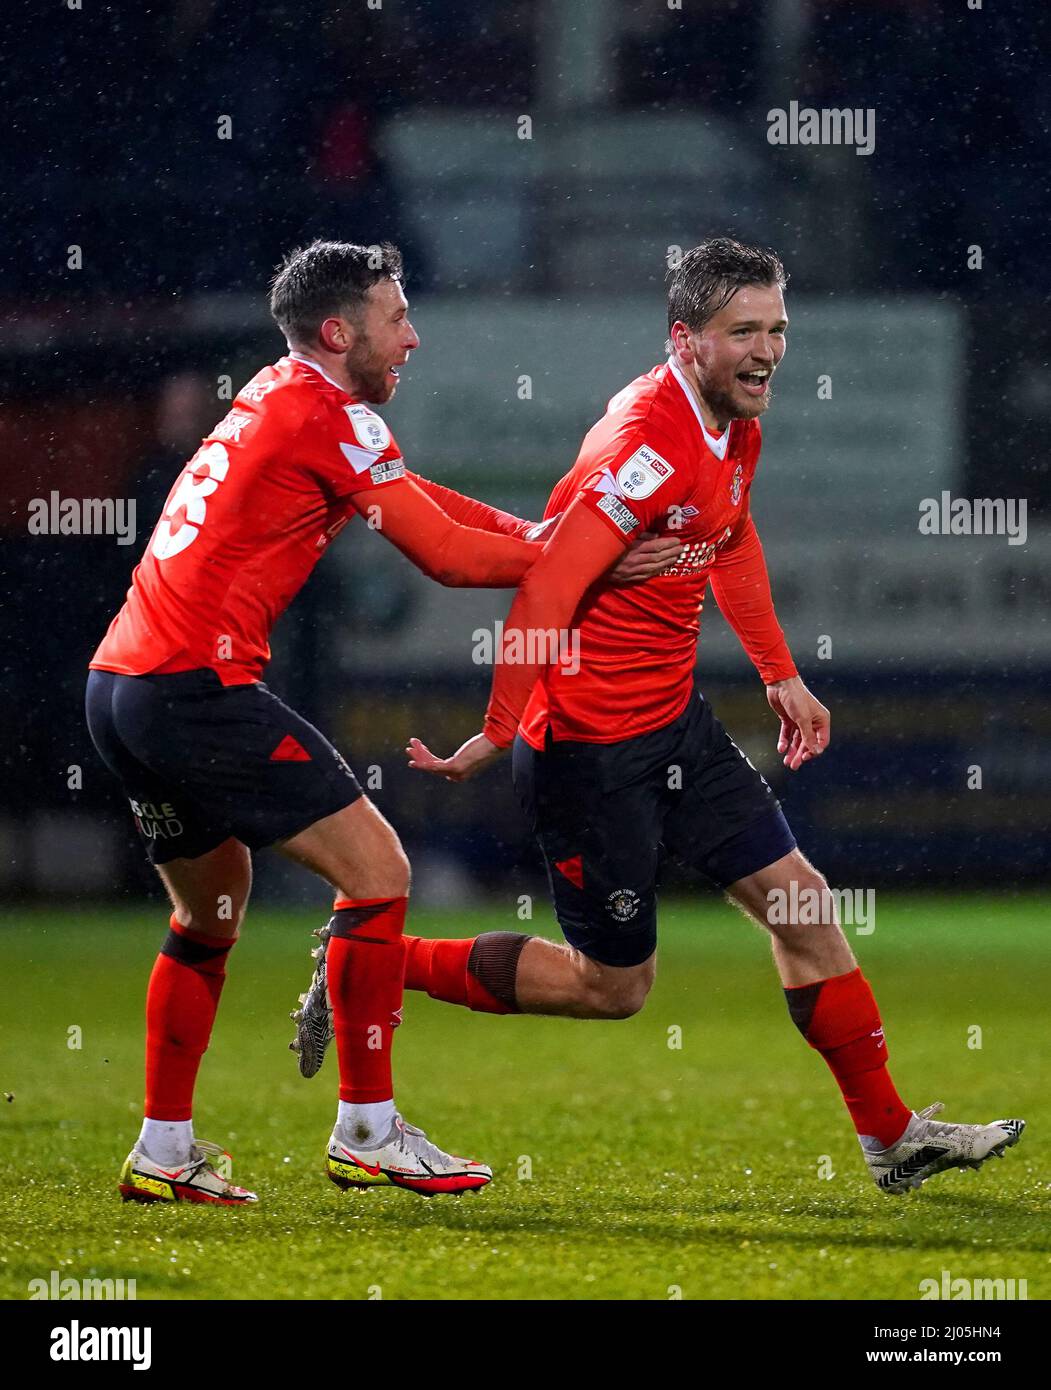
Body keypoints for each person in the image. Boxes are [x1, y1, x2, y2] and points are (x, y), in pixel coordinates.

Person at [294, 237, 1023, 1197]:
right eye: (742, 332)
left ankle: (892, 1140)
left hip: (675, 722)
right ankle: (372, 962)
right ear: (685, 340)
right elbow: (549, 583)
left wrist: (779, 673)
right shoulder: (644, 443)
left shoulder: (732, 420)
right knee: (614, 991)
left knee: (803, 907)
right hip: (589, 753)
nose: (766, 351)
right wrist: (501, 723)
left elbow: (731, 535)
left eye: (777, 329)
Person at [85, 237, 681, 1205]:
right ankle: (367, 1130)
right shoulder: (324, 409)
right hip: (192, 687)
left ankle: (163, 1147)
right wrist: (586, 558)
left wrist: (541, 539)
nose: (413, 336)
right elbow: (443, 555)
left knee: (208, 908)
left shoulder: (284, 398)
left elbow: (423, 503)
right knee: (379, 873)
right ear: (337, 330)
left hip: (121, 685)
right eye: (395, 317)